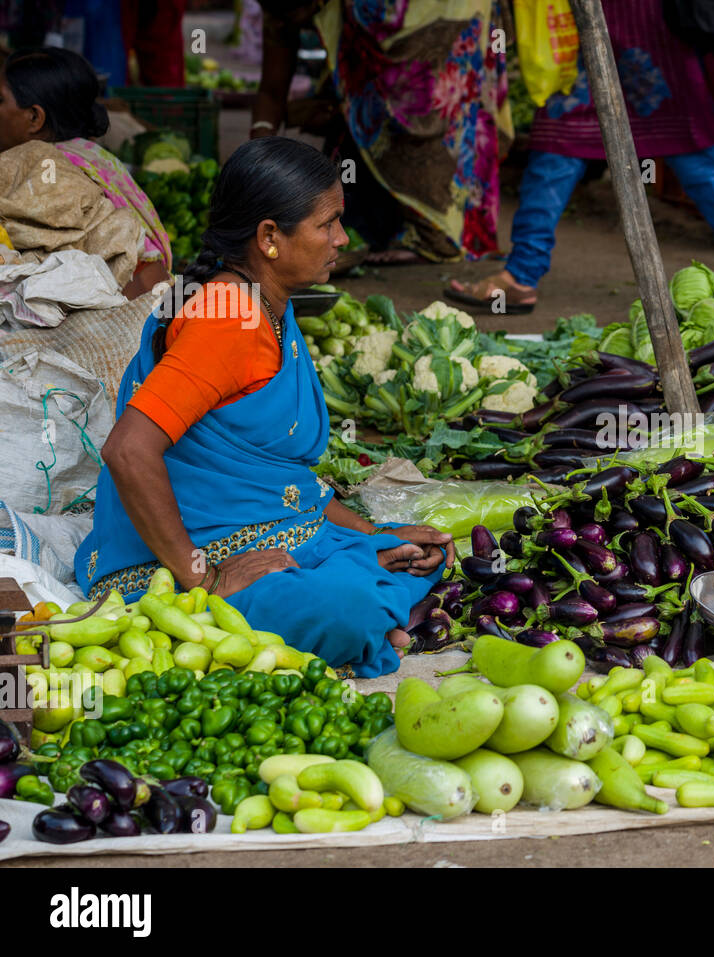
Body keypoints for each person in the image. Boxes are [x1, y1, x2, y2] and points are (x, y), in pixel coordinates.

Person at [74, 137, 456, 678]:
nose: (343, 239)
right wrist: (204, 579)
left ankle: (359, 599)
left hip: (263, 531)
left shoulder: (268, 305)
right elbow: (129, 450)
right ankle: (353, 616)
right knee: (347, 607)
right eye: (328, 224)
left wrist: (371, 534)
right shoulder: (227, 318)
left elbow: (279, 478)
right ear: (270, 237)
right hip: (174, 562)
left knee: (423, 552)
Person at [445, 0, 714, 314]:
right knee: (558, 138)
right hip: (583, 25)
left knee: (688, 140)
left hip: (653, 25)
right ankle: (521, 274)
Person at [251, 0, 512, 264]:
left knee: (424, 108)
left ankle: (430, 233)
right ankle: (381, 225)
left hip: (442, 18)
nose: (292, 20)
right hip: (370, 64)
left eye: (298, 11)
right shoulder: (282, 11)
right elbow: (272, 89)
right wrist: (258, 163)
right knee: (347, 188)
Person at [0, 47, 172, 298]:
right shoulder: (93, 155)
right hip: (156, 303)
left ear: (35, 117)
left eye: (0, 100)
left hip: (122, 317)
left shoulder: (41, 167)